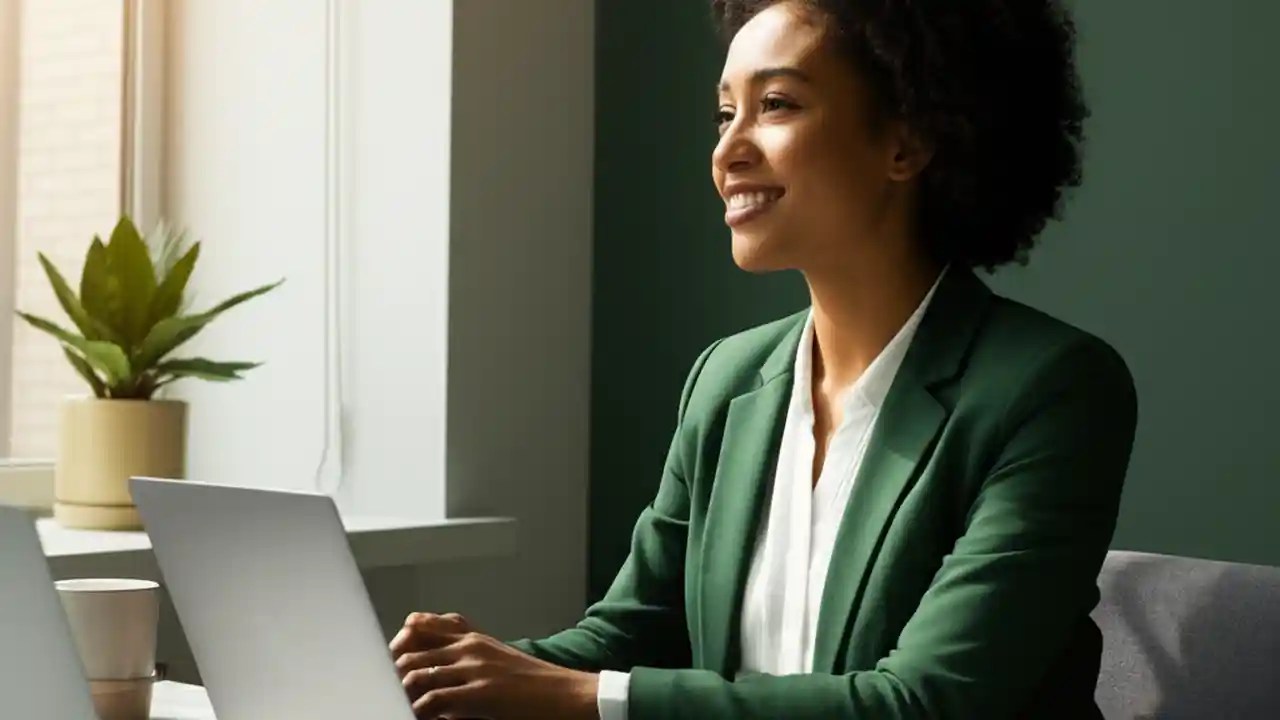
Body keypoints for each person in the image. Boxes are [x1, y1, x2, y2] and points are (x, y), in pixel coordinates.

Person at [389, 0, 1138, 717]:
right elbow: (630, 632)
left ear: (907, 140)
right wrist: (457, 675)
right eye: (725, 113)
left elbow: (925, 703)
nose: (728, 149)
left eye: (776, 104)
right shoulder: (728, 381)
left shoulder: (1052, 389)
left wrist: (576, 699)